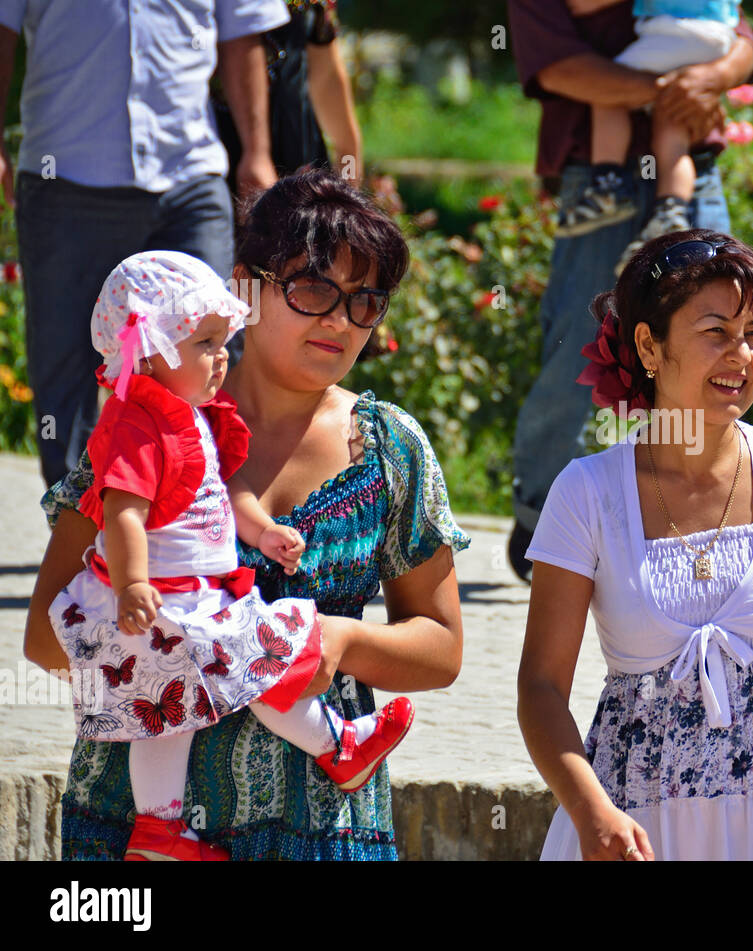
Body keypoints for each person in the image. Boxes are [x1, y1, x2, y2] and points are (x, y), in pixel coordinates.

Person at [26, 168, 469, 861]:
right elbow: (46, 641)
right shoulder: (139, 425)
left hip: (323, 830)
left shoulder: (388, 448)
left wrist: (339, 640)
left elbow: (442, 648)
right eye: (314, 288)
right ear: (243, 287)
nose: (339, 321)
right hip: (129, 831)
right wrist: (159, 631)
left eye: (365, 301)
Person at [517, 230, 753, 859]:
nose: (742, 356)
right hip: (636, 833)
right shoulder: (587, 493)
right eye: (716, 333)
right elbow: (539, 688)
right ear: (649, 344)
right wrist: (590, 811)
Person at [504, 0, 753, 582]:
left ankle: (706, 513)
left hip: (690, 167)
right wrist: (673, 87)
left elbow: (742, 39)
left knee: (714, 337)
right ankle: (542, 513)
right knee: (578, 338)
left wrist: (714, 77)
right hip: (600, 178)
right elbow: (563, 68)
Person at [0, 0, 288, 487]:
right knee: (65, 360)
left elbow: (241, 32)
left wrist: (257, 152)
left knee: (218, 344)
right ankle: (80, 538)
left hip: (190, 175)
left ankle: (204, 523)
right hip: (65, 173)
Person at [559, 0, 740, 276]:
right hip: (714, 35)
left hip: (681, 33)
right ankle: (671, 211)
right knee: (671, 124)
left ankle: (609, 186)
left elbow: (582, 5)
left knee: (608, 88)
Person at [215, 0, 366, 187]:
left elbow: (327, 77)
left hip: (300, 174)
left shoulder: (313, 8)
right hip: (218, 168)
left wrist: (348, 175)